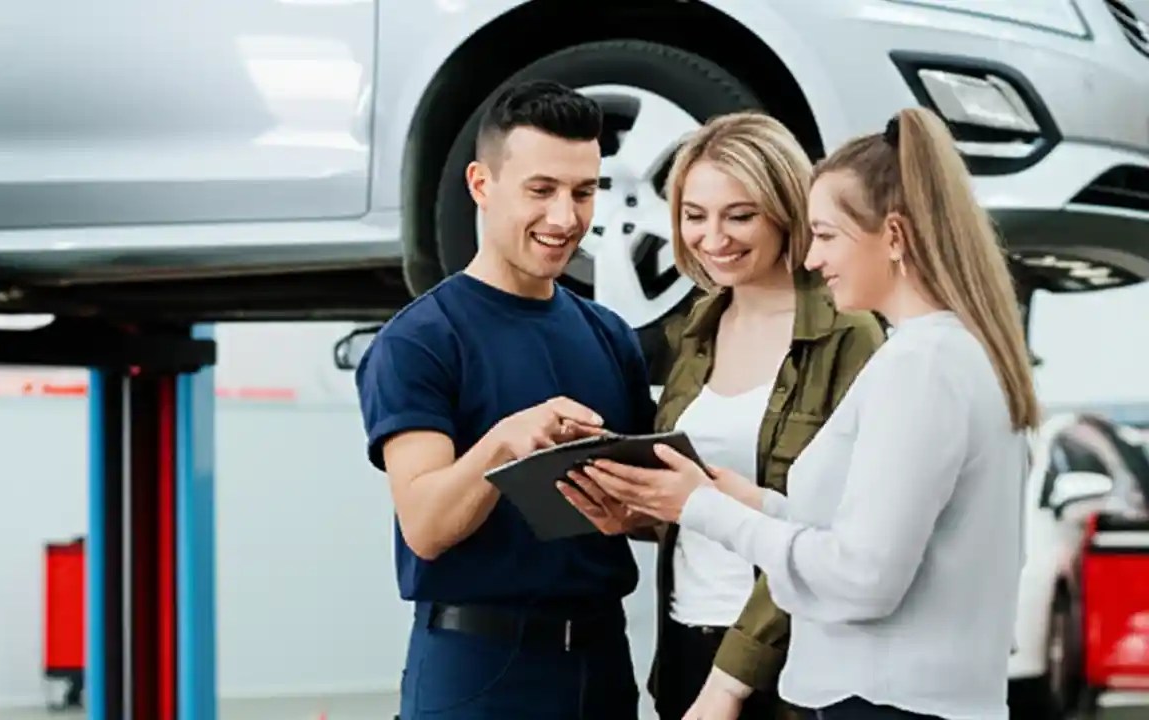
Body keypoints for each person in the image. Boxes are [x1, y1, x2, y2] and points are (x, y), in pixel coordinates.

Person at [581, 106, 1039, 720]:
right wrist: (739, 505)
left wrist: (705, 507)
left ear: (895, 238)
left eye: (824, 235)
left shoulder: (917, 366)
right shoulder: (945, 354)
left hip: (881, 702)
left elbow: (863, 578)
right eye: (695, 215)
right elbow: (858, 532)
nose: (814, 257)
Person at [562, 112, 884, 720]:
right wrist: (631, 512)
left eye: (740, 215)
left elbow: (839, 532)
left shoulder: (849, 334)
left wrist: (731, 681)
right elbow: (700, 505)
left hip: (789, 662)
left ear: (785, 209)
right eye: (694, 215)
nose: (714, 238)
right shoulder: (695, 333)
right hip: (687, 642)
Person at [353, 79, 657, 720]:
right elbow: (427, 526)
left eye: (584, 192)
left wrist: (633, 511)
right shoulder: (420, 341)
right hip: (480, 671)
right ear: (481, 185)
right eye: (541, 191)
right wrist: (504, 441)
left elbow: (654, 512)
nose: (565, 218)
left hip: (603, 664)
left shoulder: (610, 336)